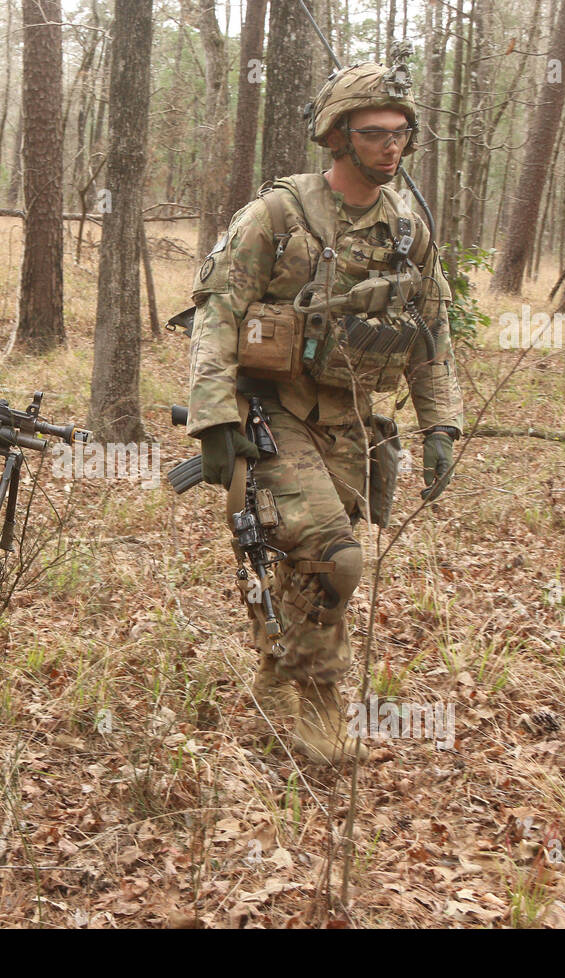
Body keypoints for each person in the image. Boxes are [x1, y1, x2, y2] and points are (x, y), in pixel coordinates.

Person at [184, 57, 464, 766]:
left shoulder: (408, 230)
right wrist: (213, 421)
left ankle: (275, 673)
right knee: (337, 559)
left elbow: (434, 337)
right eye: (375, 132)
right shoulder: (277, 215)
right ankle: (320, 699)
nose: (392, 146)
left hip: (353, 418)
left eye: (403, 133)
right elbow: (216, 316)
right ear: (337, 137)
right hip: (272, 411)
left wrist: (442, 425)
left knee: (306, 558)